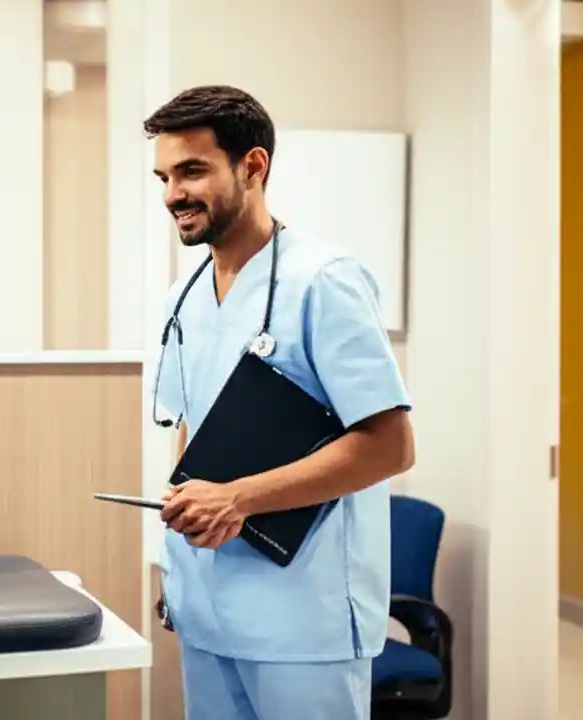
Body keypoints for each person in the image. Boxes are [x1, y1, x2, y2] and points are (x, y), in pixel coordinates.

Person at [146, 86, 415, 719]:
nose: (172, 195)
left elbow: (390, 445)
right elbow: (190, 433)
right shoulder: (182, 298)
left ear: (253, 166)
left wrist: (238, 498)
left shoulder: (324, 280)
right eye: (163, 176)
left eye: (192, 171)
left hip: (304, 617)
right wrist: (175, 567)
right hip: (209, 610)